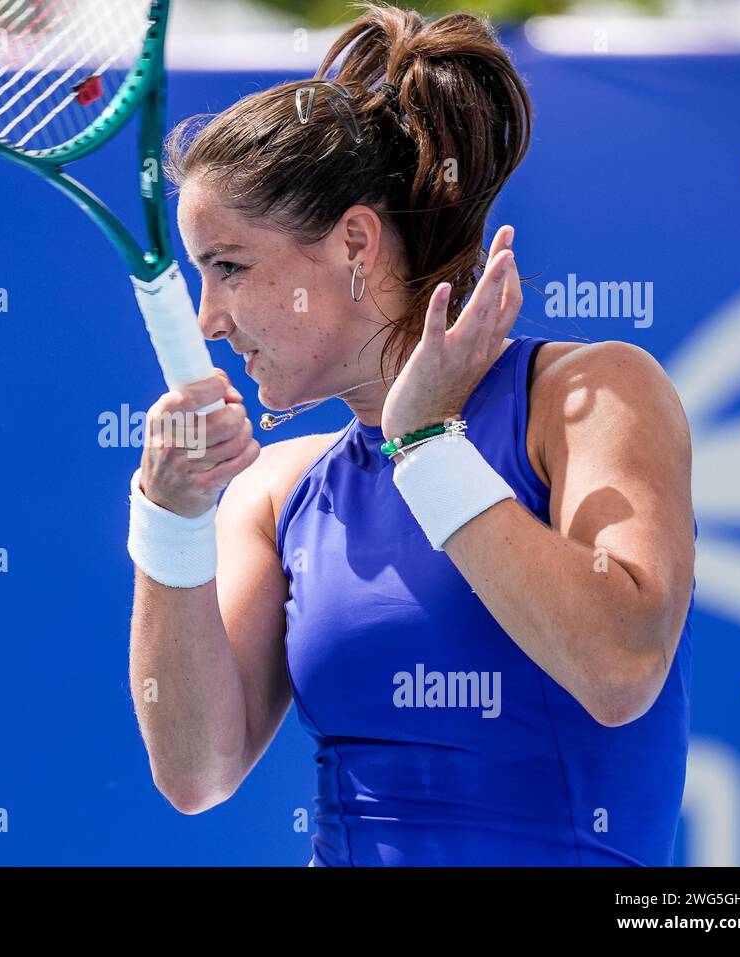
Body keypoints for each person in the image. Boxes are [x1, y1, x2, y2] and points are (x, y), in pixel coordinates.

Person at [126, 2, 696, 866]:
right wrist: (168, 519)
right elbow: (196, 772)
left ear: (355, 241)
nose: (209, 319)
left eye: (230, 267)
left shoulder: (590, 393)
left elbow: (621, 670)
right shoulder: (277, 493)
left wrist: (425, 444)